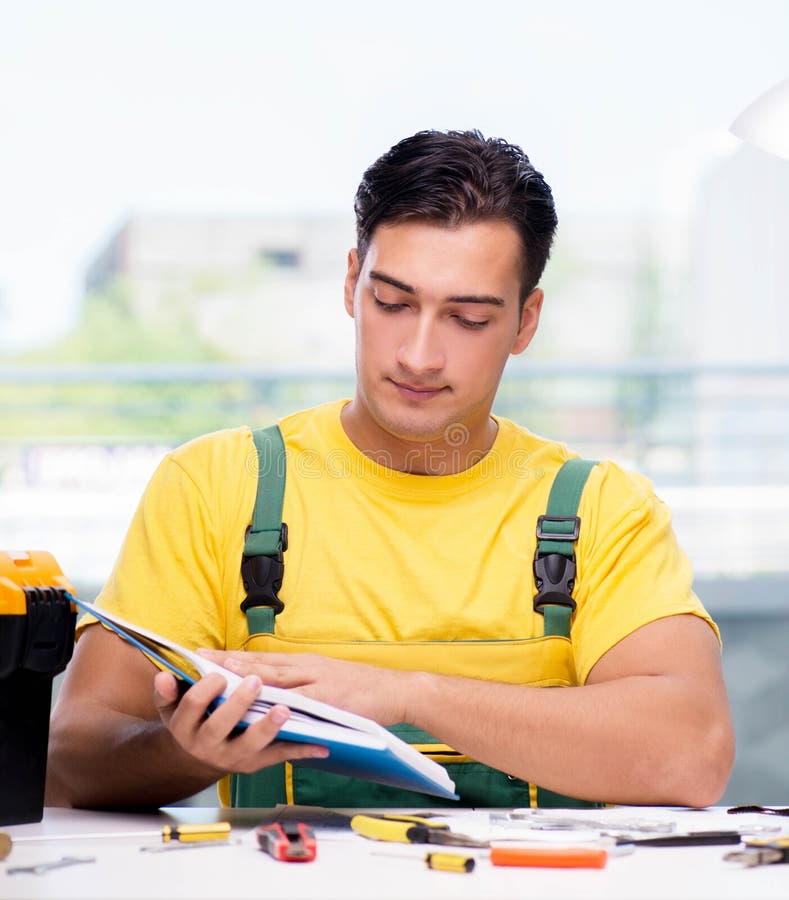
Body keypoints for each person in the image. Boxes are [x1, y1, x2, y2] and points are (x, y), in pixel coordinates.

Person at [47, 129, 734, 810]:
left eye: (466, 318)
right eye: (393, 303)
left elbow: (690, 756)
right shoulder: (219, 485)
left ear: (525, 323)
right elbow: (74, 758)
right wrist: (184, 750)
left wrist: (408, 694)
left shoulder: (601, 509)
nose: (418, 355)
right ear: (351, 283)